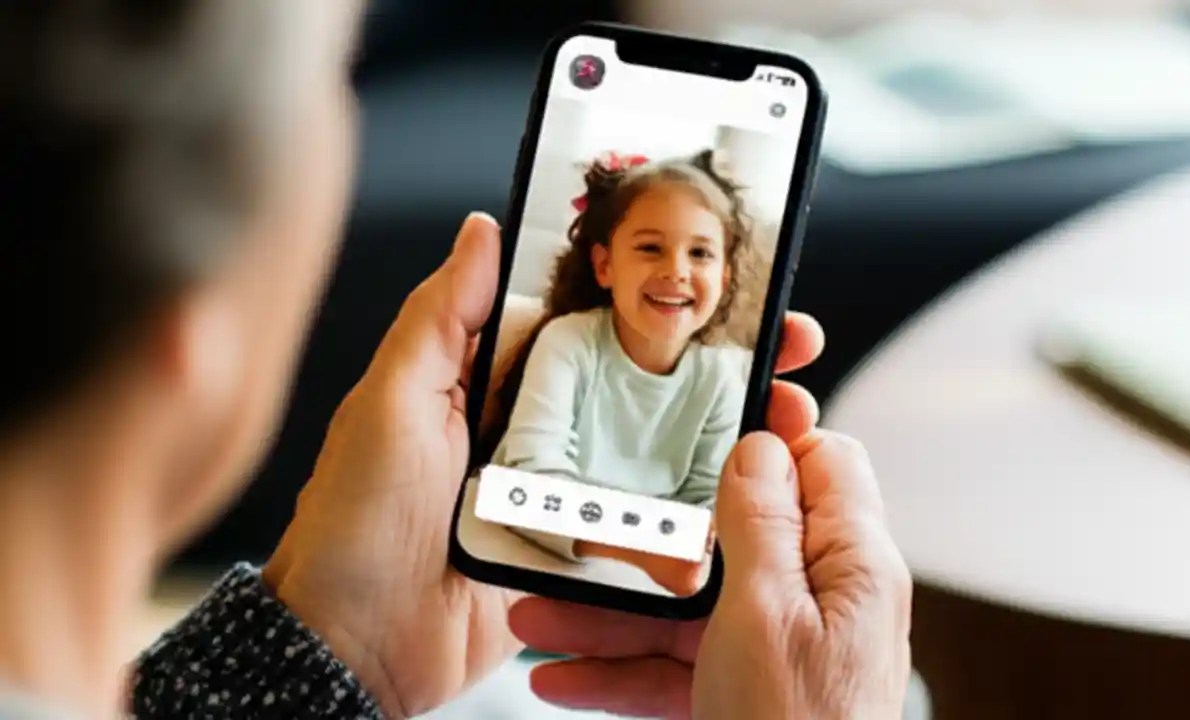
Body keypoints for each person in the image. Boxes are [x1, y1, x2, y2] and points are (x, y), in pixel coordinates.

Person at [0, 2, 912, 719]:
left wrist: (326, 648)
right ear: (188, 303)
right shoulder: (571, 346)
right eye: (335, 75)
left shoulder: (709, 376)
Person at [482, 149, 754, 595]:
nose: (676, 271)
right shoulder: (569, 339)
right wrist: (636, 544)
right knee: (511, 493)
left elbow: (708, 495)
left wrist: (697, 534)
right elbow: (532, 466)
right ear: (605, 265)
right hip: (547, 517)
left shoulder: (721, 375)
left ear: (724, 277)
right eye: (651, 248)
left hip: (654, 550)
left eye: (700, 253)